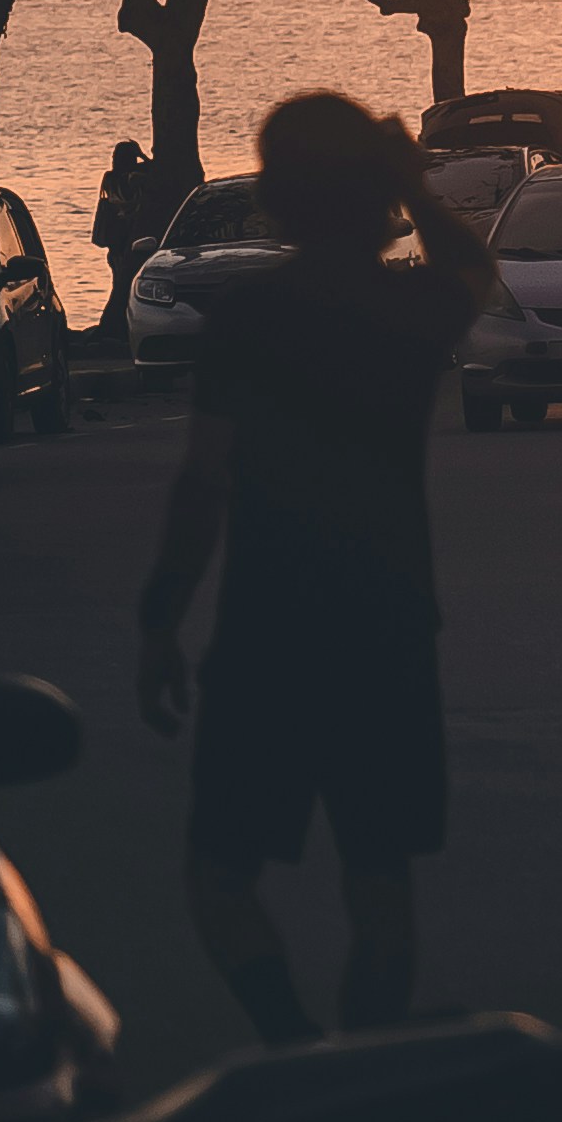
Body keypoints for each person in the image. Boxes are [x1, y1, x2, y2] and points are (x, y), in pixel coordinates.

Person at [134, 91, 493, 1043]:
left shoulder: (250, 319)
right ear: (374, 193)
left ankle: (294, 1047)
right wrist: (414, 182)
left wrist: (159, 618)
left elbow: (202, 481)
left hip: (268, 634)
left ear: (278, 195)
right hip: (387, 628)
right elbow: (472, 265)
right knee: (381, 881)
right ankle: (364, 1063)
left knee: (220, 875)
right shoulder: (410, 309)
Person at [89, 138, 151, 345]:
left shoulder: (109, 179)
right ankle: (121, 328)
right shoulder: (136, 179)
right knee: (126, 286)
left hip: (114, 242)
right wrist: (143, 156)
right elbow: (157, 169)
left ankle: (117, 327)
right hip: (128, 240)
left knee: (119, 284)